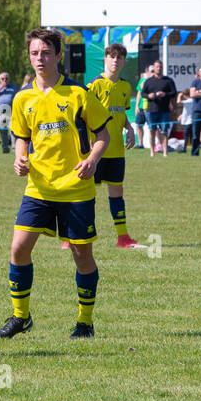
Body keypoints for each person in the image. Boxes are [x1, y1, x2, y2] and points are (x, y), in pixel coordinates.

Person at [0, 28, 110, 341]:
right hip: (39, 188)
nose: (40, 59)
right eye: (34, 53)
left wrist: (92, 160)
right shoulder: (23, 98)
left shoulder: (79, 94)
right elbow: (22, 136)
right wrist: (19, 158)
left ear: (58, 55)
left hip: (76, 188)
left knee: (81, 255)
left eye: (46, 53)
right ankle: (20, 317)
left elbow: (104, 136)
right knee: (19, 248)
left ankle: (85, 322)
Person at [84, 43, 139, 248]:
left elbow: (120, 112)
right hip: (95, 152)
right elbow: (85, 115)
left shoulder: (125, 87)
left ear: (124, 61)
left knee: (117, 192)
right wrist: (88, 143)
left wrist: (130, 128)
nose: (115, 60)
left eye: (120, 57)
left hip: (116, 150)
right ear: (105, 59)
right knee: (85, 194)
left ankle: (123, 237)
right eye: (112, 57)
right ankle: (72, 236)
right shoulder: (94, 86)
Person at [141, 61, 175, 154]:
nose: (158, 68)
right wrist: (149, 96)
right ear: (154, 68)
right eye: (157, 67)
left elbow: (174, 93)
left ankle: (165, 152)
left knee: (164, 131)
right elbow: (143, 93)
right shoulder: (149, 81)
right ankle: (152, 151)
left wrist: (165, 94)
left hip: (164, 110)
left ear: (162, 68)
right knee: (152, 131)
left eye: (160, 67)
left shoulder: (168, 80)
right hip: (151, 110)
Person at [0, 72, 19, 154]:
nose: (5, 80)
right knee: (3, 131)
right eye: (2, 79)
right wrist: (0, 88)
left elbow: (19, 98)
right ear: (0, 80)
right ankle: (5, 149)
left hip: (12, 112)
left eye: (6, 79)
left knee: (13, 131)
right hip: (1, 112)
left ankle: (15, 149)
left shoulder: (13, 87)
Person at [131, 64, 150, 149]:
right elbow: (139, 93)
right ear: (146, 71)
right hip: (142, 107)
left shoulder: (154, 80)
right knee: (139, 125)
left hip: (151, 108)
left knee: (153, 127)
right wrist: (136, 106)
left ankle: (153, 145)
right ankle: (140, 143)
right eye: (149, 71)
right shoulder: (142, 80)